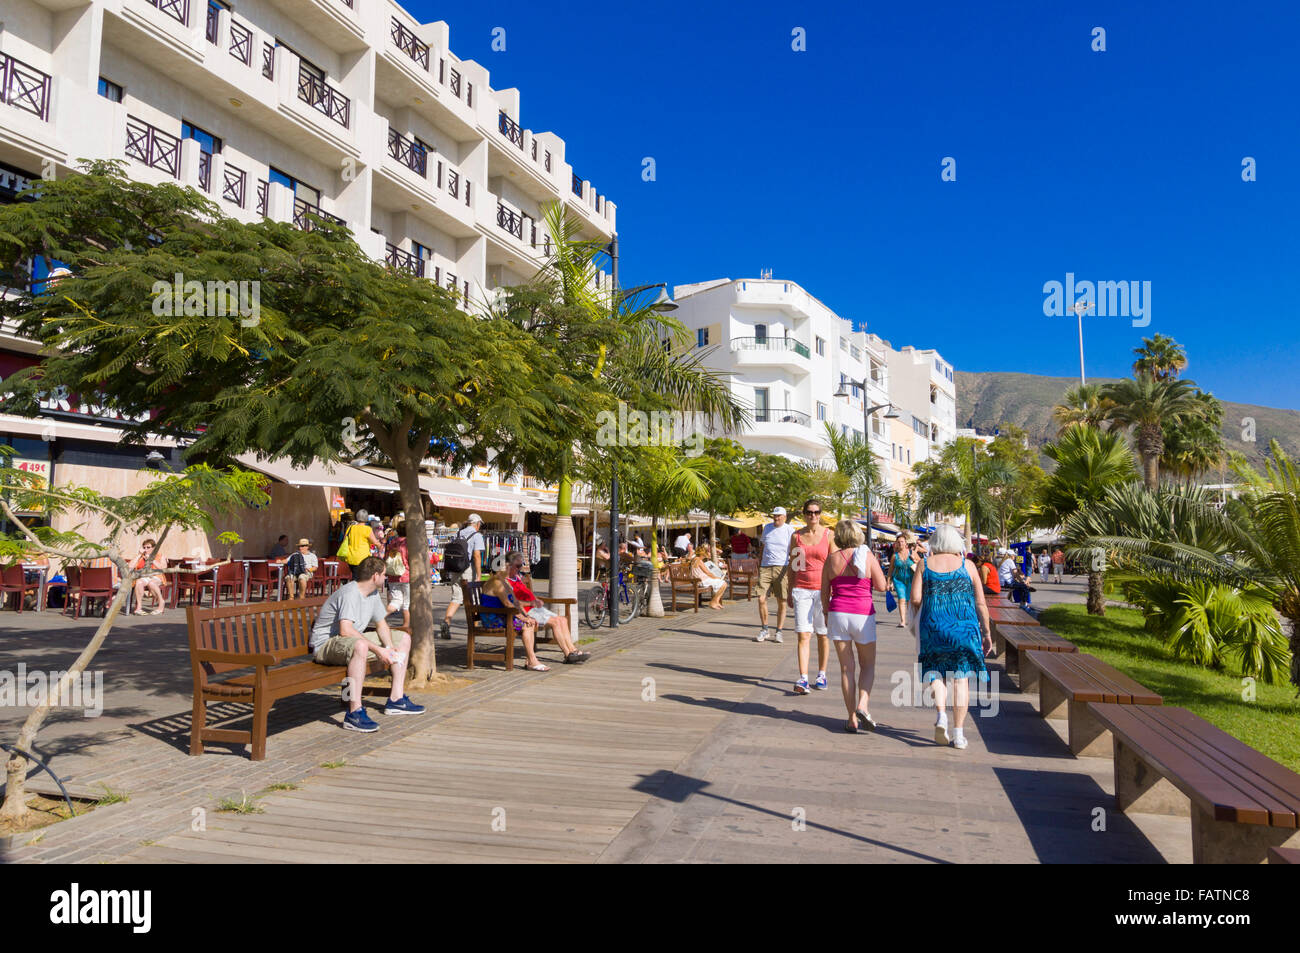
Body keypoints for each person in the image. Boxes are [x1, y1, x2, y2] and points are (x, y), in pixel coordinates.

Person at [309, 555, 425, 731]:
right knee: (361, 645)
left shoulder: (372, 594)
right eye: (384, 575)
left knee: (403, 638)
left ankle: (396, 700)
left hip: (346, 642)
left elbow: (381, 624)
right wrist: (379, 651)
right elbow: (345, 630)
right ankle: (354, 713)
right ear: (375, 576)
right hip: (326, 645)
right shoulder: (350, 593)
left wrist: (388, 646)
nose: (386, 578)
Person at [910, 523, 992, 750]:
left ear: (935, 542)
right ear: (957, 543)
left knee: (936, 673)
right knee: (960, 679)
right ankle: (959, 734)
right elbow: (981, 603)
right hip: (964, 629)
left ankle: (941, 716)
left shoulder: (924, 565)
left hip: (933, 626)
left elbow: (915, 598)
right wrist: (986, 633)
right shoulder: (968, 566)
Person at [821, 519, 887, 732]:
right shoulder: (867, 556)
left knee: (846, 668)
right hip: (862, 614)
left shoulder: (831, 560)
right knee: (867, 665)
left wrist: (825, 614)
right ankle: (863, 705)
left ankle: (851, 718)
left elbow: (824, 593)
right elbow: (881, 586)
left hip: (838, 613)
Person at [505, 552, 589, 663]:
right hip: (527, 611)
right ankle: (568, 654)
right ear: (508, 565)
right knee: (555, 622)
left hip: (535, 608)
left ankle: (573, 650)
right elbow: (513, 603)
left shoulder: (518, 577)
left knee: (562, 619)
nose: (520, 568)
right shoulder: (506, 581)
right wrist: (531, 603)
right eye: (518, 566)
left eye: (521, 565)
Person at [789, 498, 833, 694]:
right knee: (803, 634)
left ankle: (822, 673)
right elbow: (792, 565)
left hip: (824, 590)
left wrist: (835, 591)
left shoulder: (829, 535)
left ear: (820, 513)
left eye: (816, 512)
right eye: (809, 512)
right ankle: (803, 678)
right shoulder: (796, 536)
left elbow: (834, 564)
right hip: (801, 589)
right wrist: (790, 589)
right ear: (804, 514)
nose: (812, 515)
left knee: (822, 634)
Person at [480, 561, 552, 671]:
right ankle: (532, 661)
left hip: (505, 616)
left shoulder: (505, 582)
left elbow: (515, 602)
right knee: (526, 625)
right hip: (493, 619)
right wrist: (523, 618)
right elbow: (508, 604)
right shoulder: (496, 583)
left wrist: (527, 616)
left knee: (529, 623)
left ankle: (530, 660)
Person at [440, 513, 485, 640]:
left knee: (456, 598)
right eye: (480, 525)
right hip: (468, 570)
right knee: (474, 599)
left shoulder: (458, 533)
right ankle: (474, 630)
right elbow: (476, 556)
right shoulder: (477, 536)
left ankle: (446, 622)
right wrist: (479, 575)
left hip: (455, 569)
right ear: (477, 524)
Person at [754, 507, 795, 643]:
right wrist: (760, 563)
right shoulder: (767, 527)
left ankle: (779, 631)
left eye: (778, 516)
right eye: (774, 516)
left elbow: (793, 551)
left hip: (781, 567)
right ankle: (765, 629)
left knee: (781, 600)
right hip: (765, 567)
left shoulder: (790, 530)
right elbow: (763, 546)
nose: (776, 518)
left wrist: (792, 569)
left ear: (784, 516)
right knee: (761, 598)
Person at [385, 520, 411, 630]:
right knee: (407, 603)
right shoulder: (409, 543)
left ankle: (379, 617)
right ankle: (406, 625)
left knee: (396, 601)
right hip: (406, 575)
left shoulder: (393, 542)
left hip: (392, 575)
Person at [889, 534, 918, 629]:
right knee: (901, 599)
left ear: (906, 543)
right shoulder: (894, 556)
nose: (900, 543)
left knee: (909, 601)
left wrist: (915, 560)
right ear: (896, 544)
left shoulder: (912, 553)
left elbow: (921, 563)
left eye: (902, 541)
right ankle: (902, 621)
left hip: (911, 579)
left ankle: (910, 619)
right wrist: (888, 582)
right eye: (898, 542)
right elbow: (890, 570)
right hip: (898, 580)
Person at [132, 539, 166, 615]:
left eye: (148, 547)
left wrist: (151, 559)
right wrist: (139, 555)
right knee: (139, 582)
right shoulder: (141, 556)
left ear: (153, 548)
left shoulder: (160, 555)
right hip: (144, 576)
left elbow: (163, 568)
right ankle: (139, 608)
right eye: (144, 547)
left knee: (151, 583)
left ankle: (161, 602)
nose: (146, 549)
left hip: (156, 575)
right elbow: (130, 566)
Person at [689, 545, 729, 610]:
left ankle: (715, 602)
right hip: (701, 581)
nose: (708, 554)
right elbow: (708, 573)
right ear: (703, 553)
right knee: (724, 584)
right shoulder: (699, 560)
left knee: (723, 583)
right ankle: (713, 602)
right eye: (707, 552)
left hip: (699, 580)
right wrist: (716, 578)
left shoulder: (695, 559)